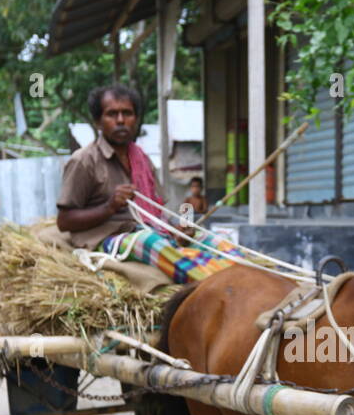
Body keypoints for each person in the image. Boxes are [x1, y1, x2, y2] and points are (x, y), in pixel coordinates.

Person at [56, 85, 243, 285]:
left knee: (211, 238)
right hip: (108, 237)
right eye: (112, 114)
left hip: (150, 229)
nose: (120, 120)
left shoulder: (142, 159)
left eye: (127, 113)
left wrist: (176, 230)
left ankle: (250, 271)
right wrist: (109, 207)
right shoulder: (84, 161)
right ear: (98, 122)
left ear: (136, 119)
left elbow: (157, 211)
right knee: (150, 242)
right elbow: (65, 221)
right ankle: (221, 283)